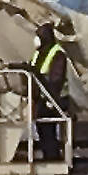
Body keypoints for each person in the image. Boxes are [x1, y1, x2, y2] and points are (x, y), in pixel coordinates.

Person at [28, 22, 69, 161]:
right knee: (42, 128)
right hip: (43, 98)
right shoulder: (39, 53)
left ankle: (52, 157)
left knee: (48, 129)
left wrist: (49, 99)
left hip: (54, 99)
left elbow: (56, 79)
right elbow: (31, 68)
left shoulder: (57, 54)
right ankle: (48, 155)